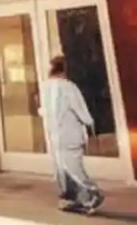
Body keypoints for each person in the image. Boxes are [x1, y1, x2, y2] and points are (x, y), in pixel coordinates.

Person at [40, 55, 105, 215]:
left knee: (63, 168)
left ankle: (77, 197)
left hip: (57, 135)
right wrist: (91, 124)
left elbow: (46, 111)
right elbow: (80, 110)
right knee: (73, 167)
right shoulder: (69, 87)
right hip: (69, 133)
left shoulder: (46, 87)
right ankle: (88, 195)